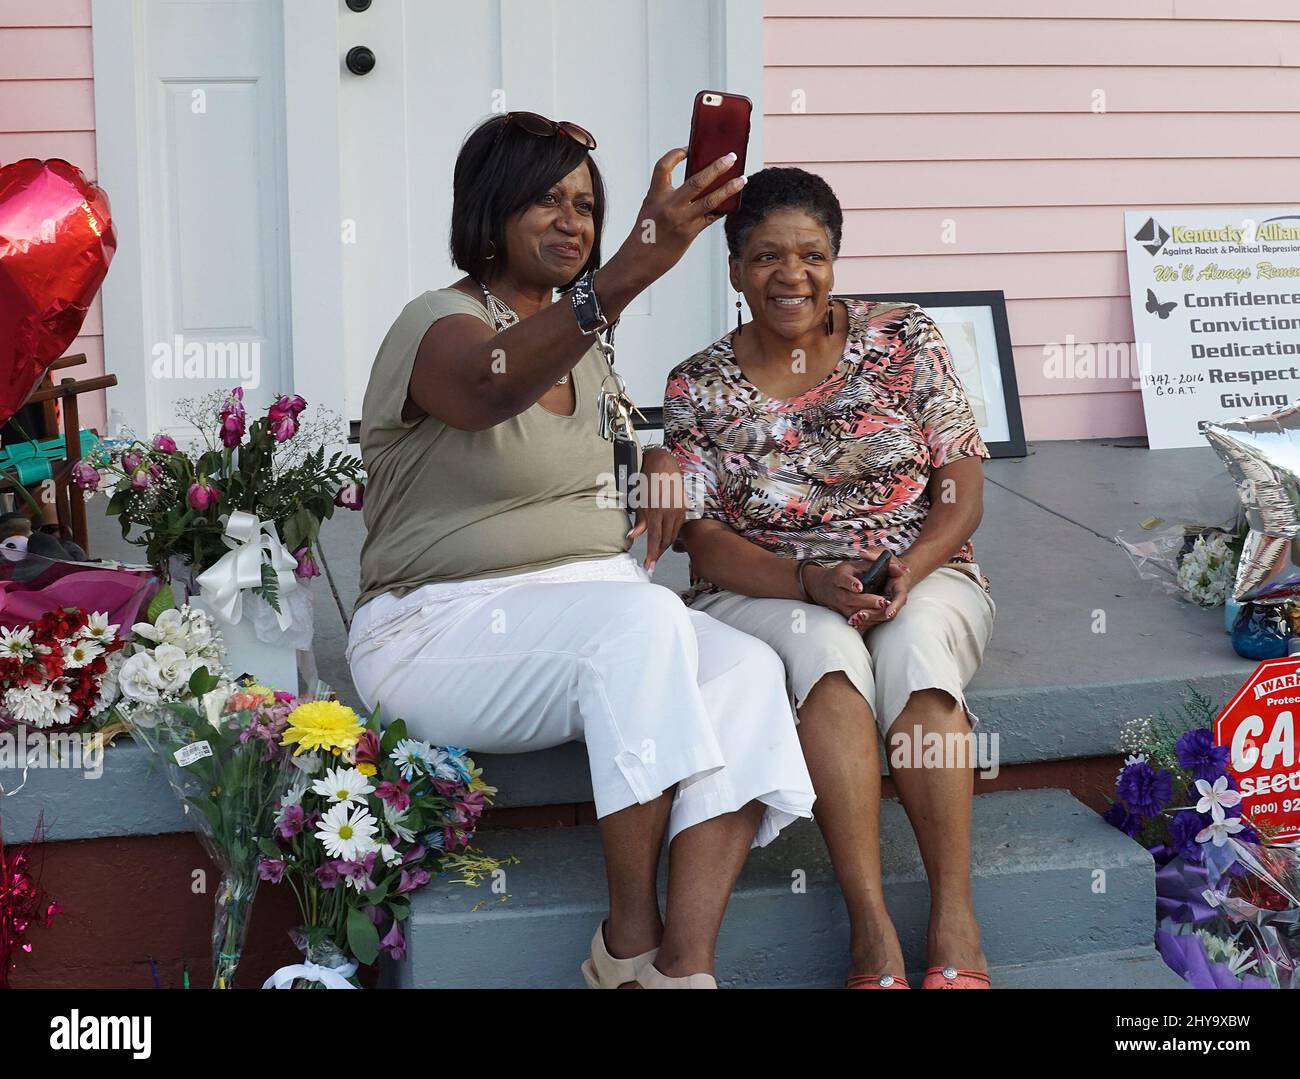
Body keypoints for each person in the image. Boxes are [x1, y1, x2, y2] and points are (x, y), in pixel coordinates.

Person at [345, 114, 816, 989]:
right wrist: (640, 257)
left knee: (748, 671)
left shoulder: (584, 342)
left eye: (587, 206)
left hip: (590, 616)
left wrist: (659, 456)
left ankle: (683, 968)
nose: (574, 223)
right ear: (490, 211)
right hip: (438, 630)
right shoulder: (436, 326)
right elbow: (493, 386)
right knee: (643, 622)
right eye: (547, 200)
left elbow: (583, 452)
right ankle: (628, 945)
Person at [664, 166, 997, 989]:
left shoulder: (905, 338)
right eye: (767, 256)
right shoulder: (696, 383)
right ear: (736, 268)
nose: (792, 276)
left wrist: (905, 571)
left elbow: (960, 481)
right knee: (830, 663)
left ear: (835, 259)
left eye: (811, 255)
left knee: (919, 654)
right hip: (770, 586)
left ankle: (955, 913)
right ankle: (872, 929)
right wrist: (809, 582)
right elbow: (700, 539)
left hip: (921, 570)